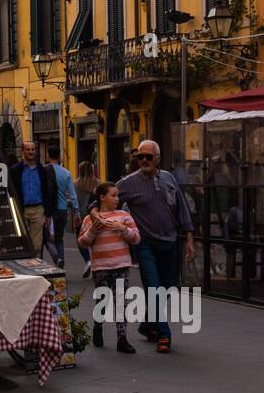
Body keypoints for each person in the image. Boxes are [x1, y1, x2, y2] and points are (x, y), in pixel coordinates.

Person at [116, 139, 194, 354]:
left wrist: (189, 238)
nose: (143, 161)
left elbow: (182, 209)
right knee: (154, 287)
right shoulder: (128, 183)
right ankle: (164, 335)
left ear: (158, 158)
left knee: (168, 288)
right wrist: (95, 212)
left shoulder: (169, 179)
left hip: (170, 242)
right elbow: (105, 198)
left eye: (148, 157)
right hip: (145, 244)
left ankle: (148, 325)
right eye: (140, 157)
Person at [78, 182, 140, 354]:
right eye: (113, 195)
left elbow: (136, 238)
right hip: (101, 266)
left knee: (120, 302)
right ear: (102, 197)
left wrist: (123, 229)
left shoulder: (123, 216)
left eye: (117, 195)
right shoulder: (90, 219)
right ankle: (98, 327)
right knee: (102, 302)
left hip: (121, 265)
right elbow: (82, 242)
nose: (117, 199)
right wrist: (92, 232)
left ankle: (122, 338)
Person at [8, 141, 57, 259]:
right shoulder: (15, 170)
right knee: (22, 241)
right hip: (21, 209)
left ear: (36, 151)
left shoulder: (42, 170)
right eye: (28, 149)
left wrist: (48, 214)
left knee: (37, 245)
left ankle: (36, 269)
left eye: (33, 149)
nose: (30, 152)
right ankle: (24, 268)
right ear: (22, 151)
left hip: (38, 209)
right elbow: (10, 190)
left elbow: (49, 192)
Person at [46, 145, 81, 271]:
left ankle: (57, 259)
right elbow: (73, 195)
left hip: (50, 210)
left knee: (47, 238)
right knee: (59, 239)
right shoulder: (66, 173)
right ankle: (61, 265)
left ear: (47, 156)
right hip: (63, 209)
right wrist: (77, 212)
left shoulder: (45, 171)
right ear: (59, 156)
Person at [75, 161, 100, 279]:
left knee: (81, 241)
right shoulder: (98, 183)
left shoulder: (76, 184)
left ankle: (88, 261)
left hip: (81, 217)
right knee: (96, 241)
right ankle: (96, 265)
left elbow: (72, 200)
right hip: (96, 216)